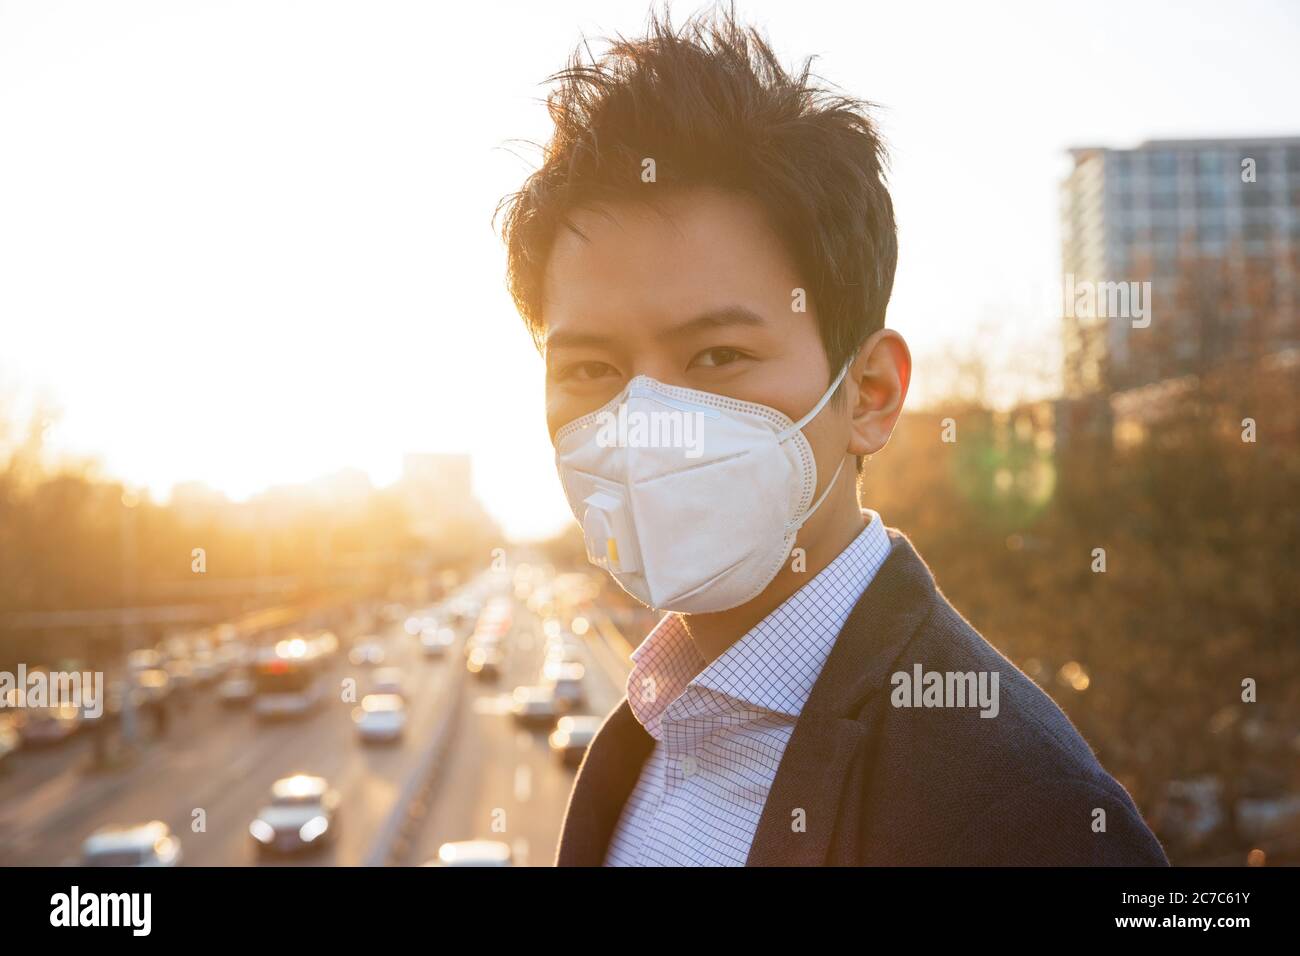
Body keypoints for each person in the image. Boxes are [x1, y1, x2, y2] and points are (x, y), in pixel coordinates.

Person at [497, 8, 1167, 866]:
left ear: (871, 394)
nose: (646, 420)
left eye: (718, 355)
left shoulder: (1021, 812)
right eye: (592, 369)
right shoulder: (642, 737)